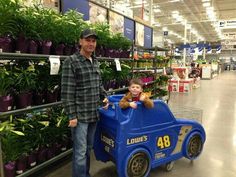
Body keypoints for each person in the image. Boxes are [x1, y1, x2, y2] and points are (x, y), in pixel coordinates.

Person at [61, 28, 108, 177]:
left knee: (88, 148)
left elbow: (98, 84)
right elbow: (67, 92)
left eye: (93, 41)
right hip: (80, 116)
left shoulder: (95, 61)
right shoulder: (72, 61)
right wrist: (71, 115)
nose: (91, 43)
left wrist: (104, 96)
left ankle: (85, 174)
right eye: (88, 40)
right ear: (80, 41)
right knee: (80, 152)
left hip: (93, 113)